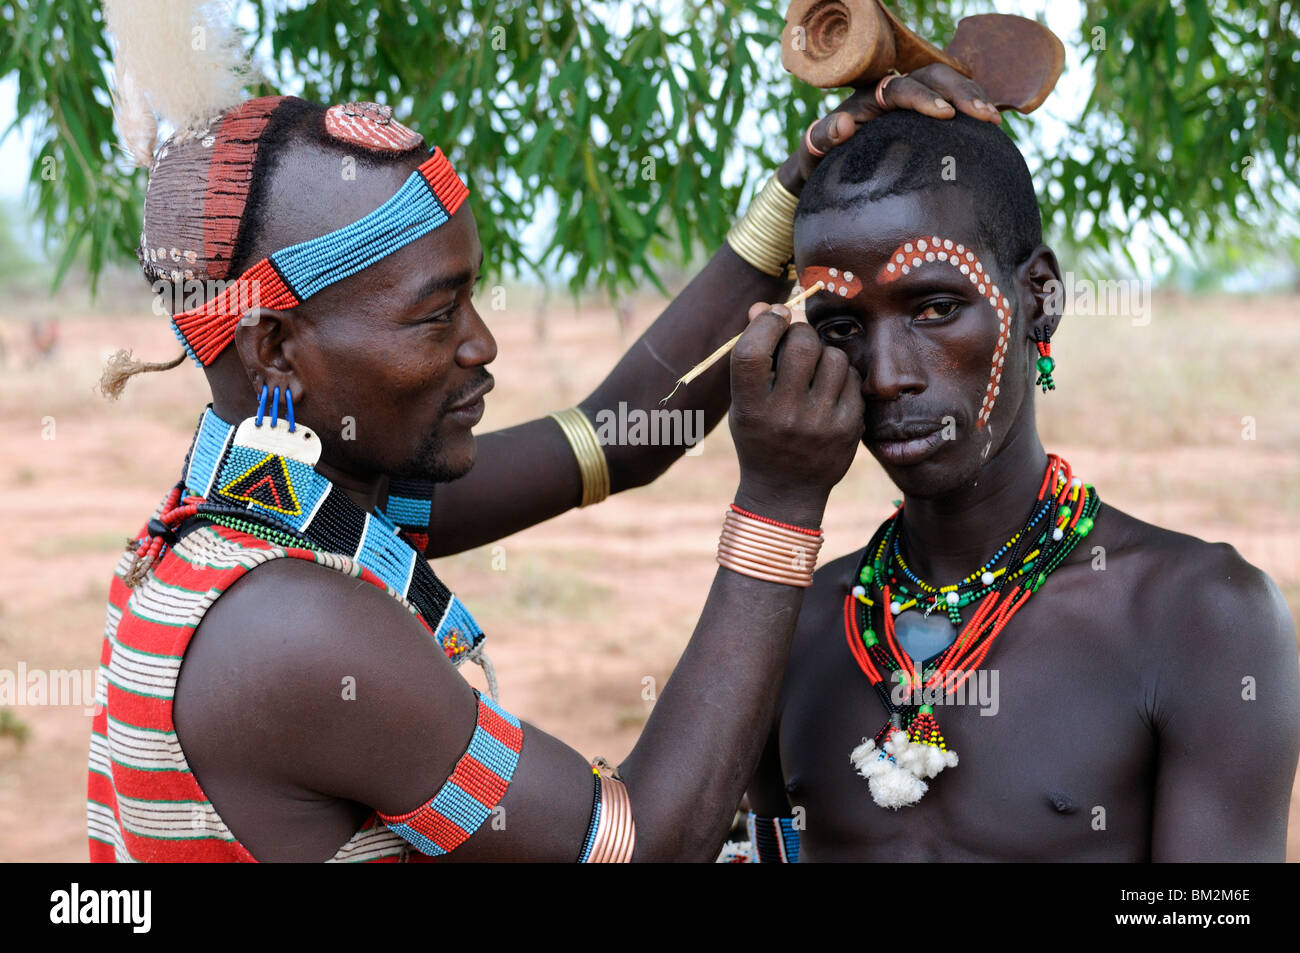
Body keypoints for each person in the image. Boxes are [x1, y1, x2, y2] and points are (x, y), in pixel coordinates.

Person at [88, 6, 1000, 861]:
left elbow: (620, 435)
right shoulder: (294, 624)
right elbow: (647, 842)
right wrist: (783, 498)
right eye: (435, 316)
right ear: (277, 348)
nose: (483, 345)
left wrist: (791, 197)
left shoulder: (283, 508)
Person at [742, 107, 1300, 862]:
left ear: (1038, 297)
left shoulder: (1201, 614)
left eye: (935, 308)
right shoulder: (790, 626)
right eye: (841, 326)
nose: (886, 374)